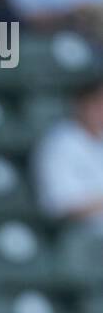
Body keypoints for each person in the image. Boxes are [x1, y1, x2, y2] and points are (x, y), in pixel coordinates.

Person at [34, 77, 103, 229]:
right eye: (98, 104)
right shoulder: (59, 144)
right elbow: (62, 205)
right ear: (81, 104)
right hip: (81, 235)